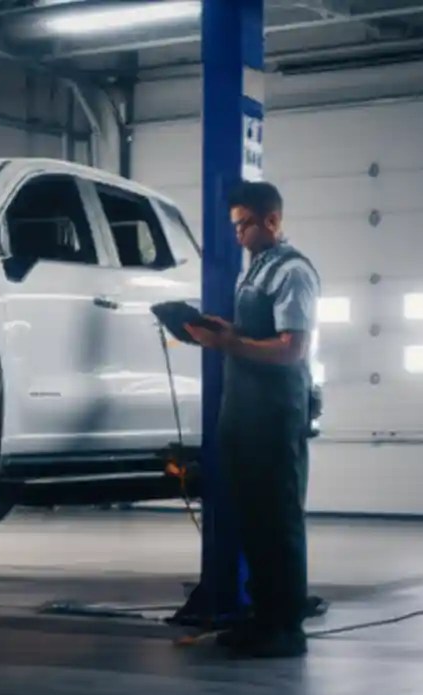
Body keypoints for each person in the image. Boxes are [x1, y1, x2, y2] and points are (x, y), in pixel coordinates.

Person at [185, 180, 321, 658]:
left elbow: (291, 348)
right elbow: (257, 334)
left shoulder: (293, 273)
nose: (238, 234)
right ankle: (263, 617)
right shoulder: (257, 271)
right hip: (244, 415)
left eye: (245, 224)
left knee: (279, 519)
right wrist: (228, 330)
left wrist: (229, 344)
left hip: (276, 414)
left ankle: (286, 629)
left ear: (272, 221)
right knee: (254, 519)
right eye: (235, 225)